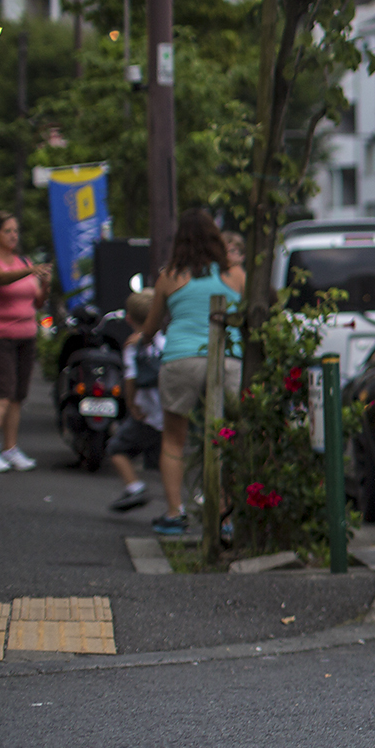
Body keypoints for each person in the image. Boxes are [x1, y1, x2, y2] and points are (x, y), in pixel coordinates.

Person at [127, 208, 245, 536]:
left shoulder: (169, 277)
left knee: (174, 438)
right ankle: (225, 516)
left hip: (181, 359)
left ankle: (174, 513)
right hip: (228, 359)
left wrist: (141, 340)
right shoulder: (236, 275)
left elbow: (151, 327)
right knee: (228, 438)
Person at [0, 212, 54, 473]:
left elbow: (37, 302)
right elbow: (0, 280)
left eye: (16, 231)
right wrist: (30, 271)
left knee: (17, 397)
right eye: (8, 231)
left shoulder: (24, 261)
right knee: (2, 394)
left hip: (26, 335)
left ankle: (10, 448)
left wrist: (45, 285)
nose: (14, 236)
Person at [108, 289, 166, 511]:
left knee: (116, 448)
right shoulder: (166, 341)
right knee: (167, 457)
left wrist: (131, 404)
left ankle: (134, 487)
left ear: (129, 318)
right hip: (167, 410)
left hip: (147, 411)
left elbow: (130, 379)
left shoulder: (133, 345)